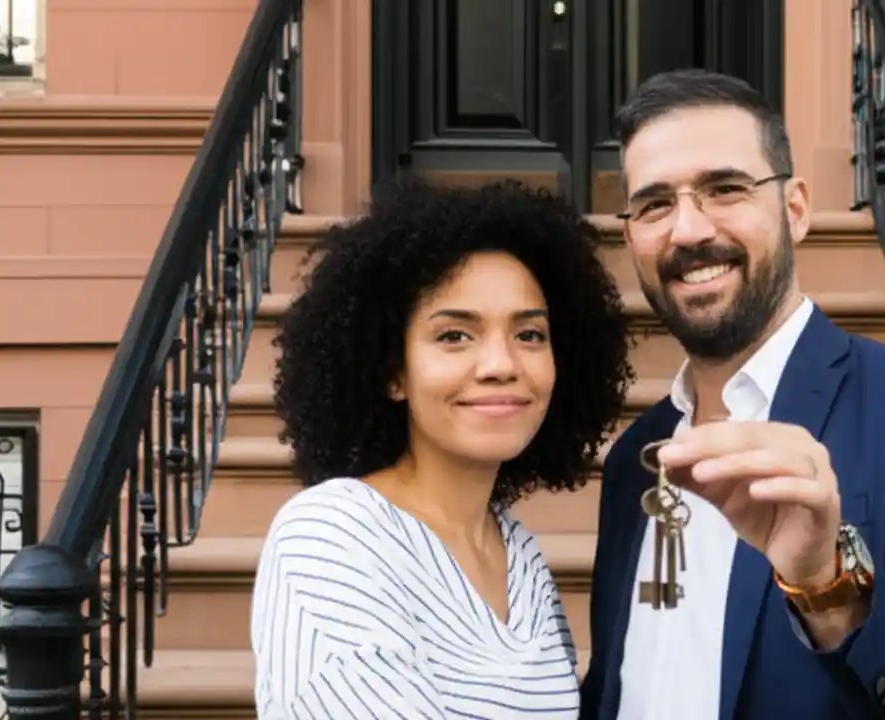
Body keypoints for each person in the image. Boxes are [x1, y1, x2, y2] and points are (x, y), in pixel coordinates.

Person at [579, 69, 885, 719]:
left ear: (795, 210)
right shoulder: (634, 460)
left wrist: (831, 588)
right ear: (632, 239)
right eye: (654, 205)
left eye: (725, 189)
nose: (688, 230)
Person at [250, 175, 633, 719]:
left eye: (529, 335)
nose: (501, 365)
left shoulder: (520, 557)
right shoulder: (333, 535)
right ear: (392, 372)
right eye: (454, 335)